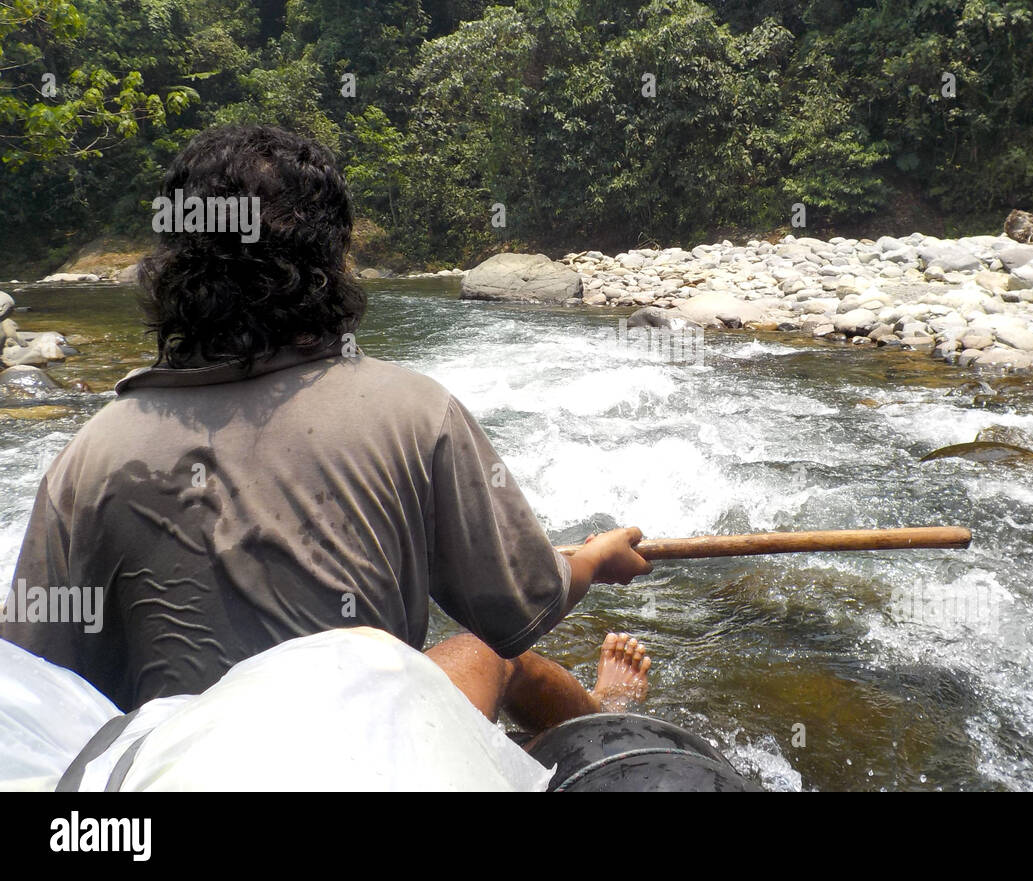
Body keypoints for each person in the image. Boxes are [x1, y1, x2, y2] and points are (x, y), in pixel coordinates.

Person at [0, 125, 652, 781]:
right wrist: (593, 560)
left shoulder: (87, 457)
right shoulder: (417, 413)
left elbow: (37, 688)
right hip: (365, 769)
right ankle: (610, 711)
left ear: (175, 264)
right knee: (483, 650)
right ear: (335, 260)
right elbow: (521, 607)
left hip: (161, 785)